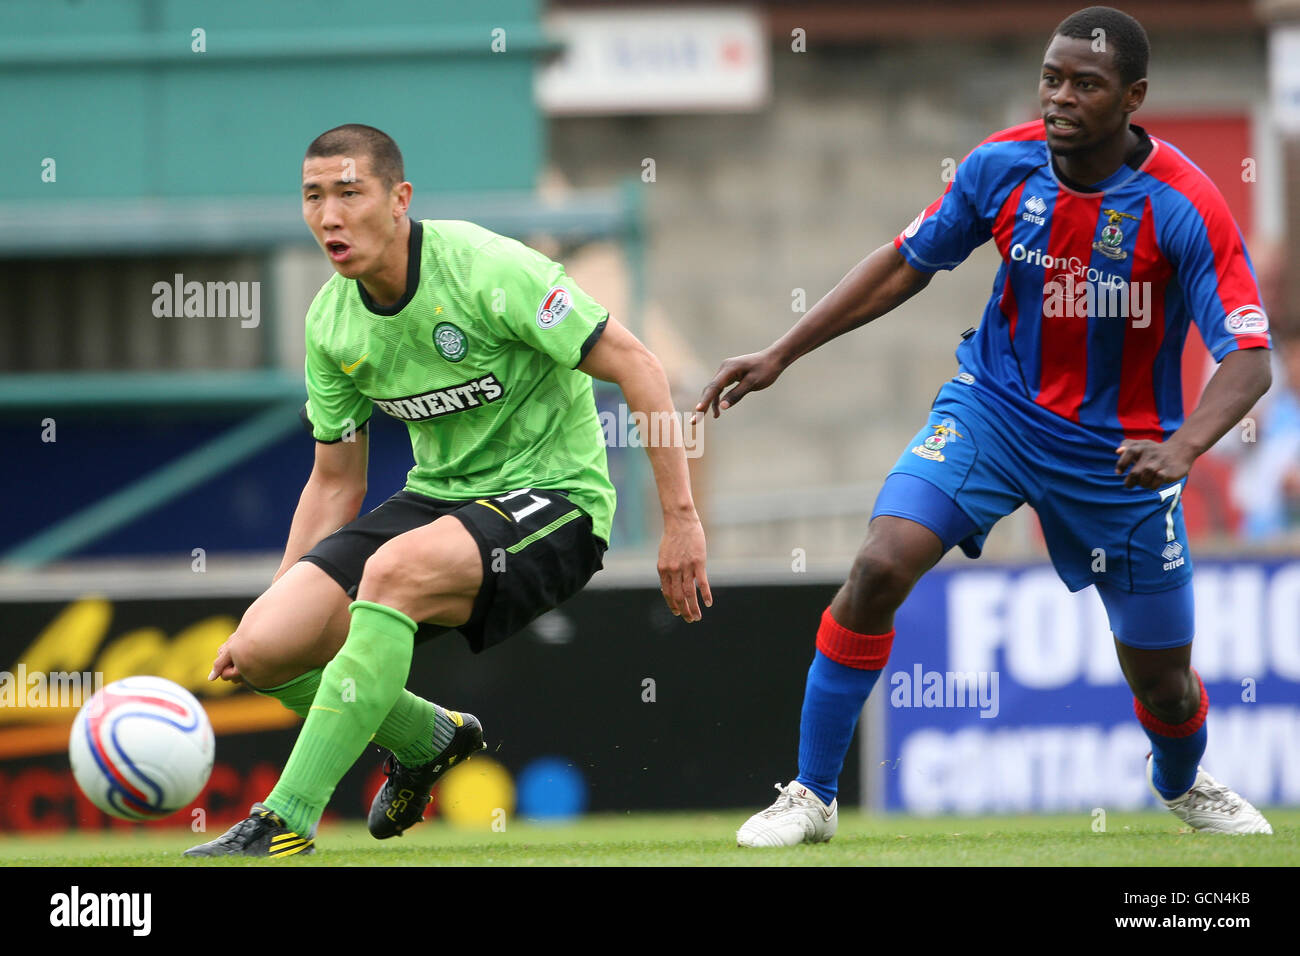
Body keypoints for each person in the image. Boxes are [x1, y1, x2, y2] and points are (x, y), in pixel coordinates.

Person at [697, 6, 1273, 846]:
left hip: (1124, 458)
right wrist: (783, 351)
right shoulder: (1001, 168)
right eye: (1051, 78)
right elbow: (905, 263)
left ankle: (1181, 781)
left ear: (1133, 97)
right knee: (879, 564)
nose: (1061, 98)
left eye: (1086, 84)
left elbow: (1249, 359)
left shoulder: (1185, 206)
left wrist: (1180, 449)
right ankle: (811, 797)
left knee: (1166, 688)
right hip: (993, 414)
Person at [186, 124, 710, 857]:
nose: (330, 216)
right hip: (441, 500)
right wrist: (281, 594)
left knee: (392, 571)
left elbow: (641, 367)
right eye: (313, 197)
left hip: (556, 500)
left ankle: (285, 820)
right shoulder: (332, 324)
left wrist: (680, 520)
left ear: (399, 200)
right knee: (269, 650)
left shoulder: (488, 268)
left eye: (348, 193)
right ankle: (428, 738)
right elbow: (336, 480)